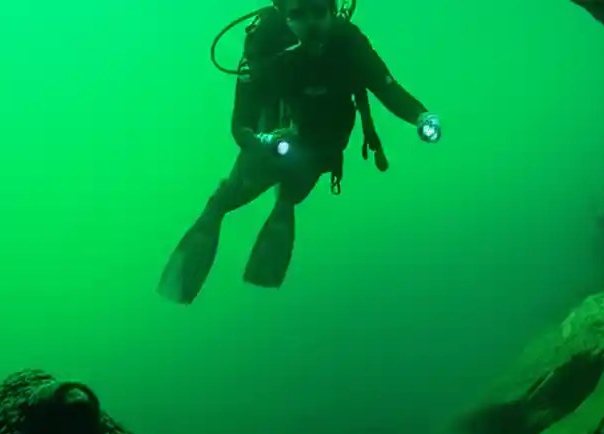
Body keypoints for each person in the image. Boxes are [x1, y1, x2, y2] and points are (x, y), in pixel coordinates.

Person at [158, 0, 442, 304]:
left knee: (293, 191)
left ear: (332, 10)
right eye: (298, 15)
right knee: (234, 195)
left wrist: (421, 117)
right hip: (272, 144)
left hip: (322, 144)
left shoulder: (348, 42)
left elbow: (387, 88)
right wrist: (263, 140)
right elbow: (241, 124)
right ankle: (214, 215)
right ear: (283, 16)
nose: (312, 25)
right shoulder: (266, 49)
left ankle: (278, 215)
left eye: (319, 11)